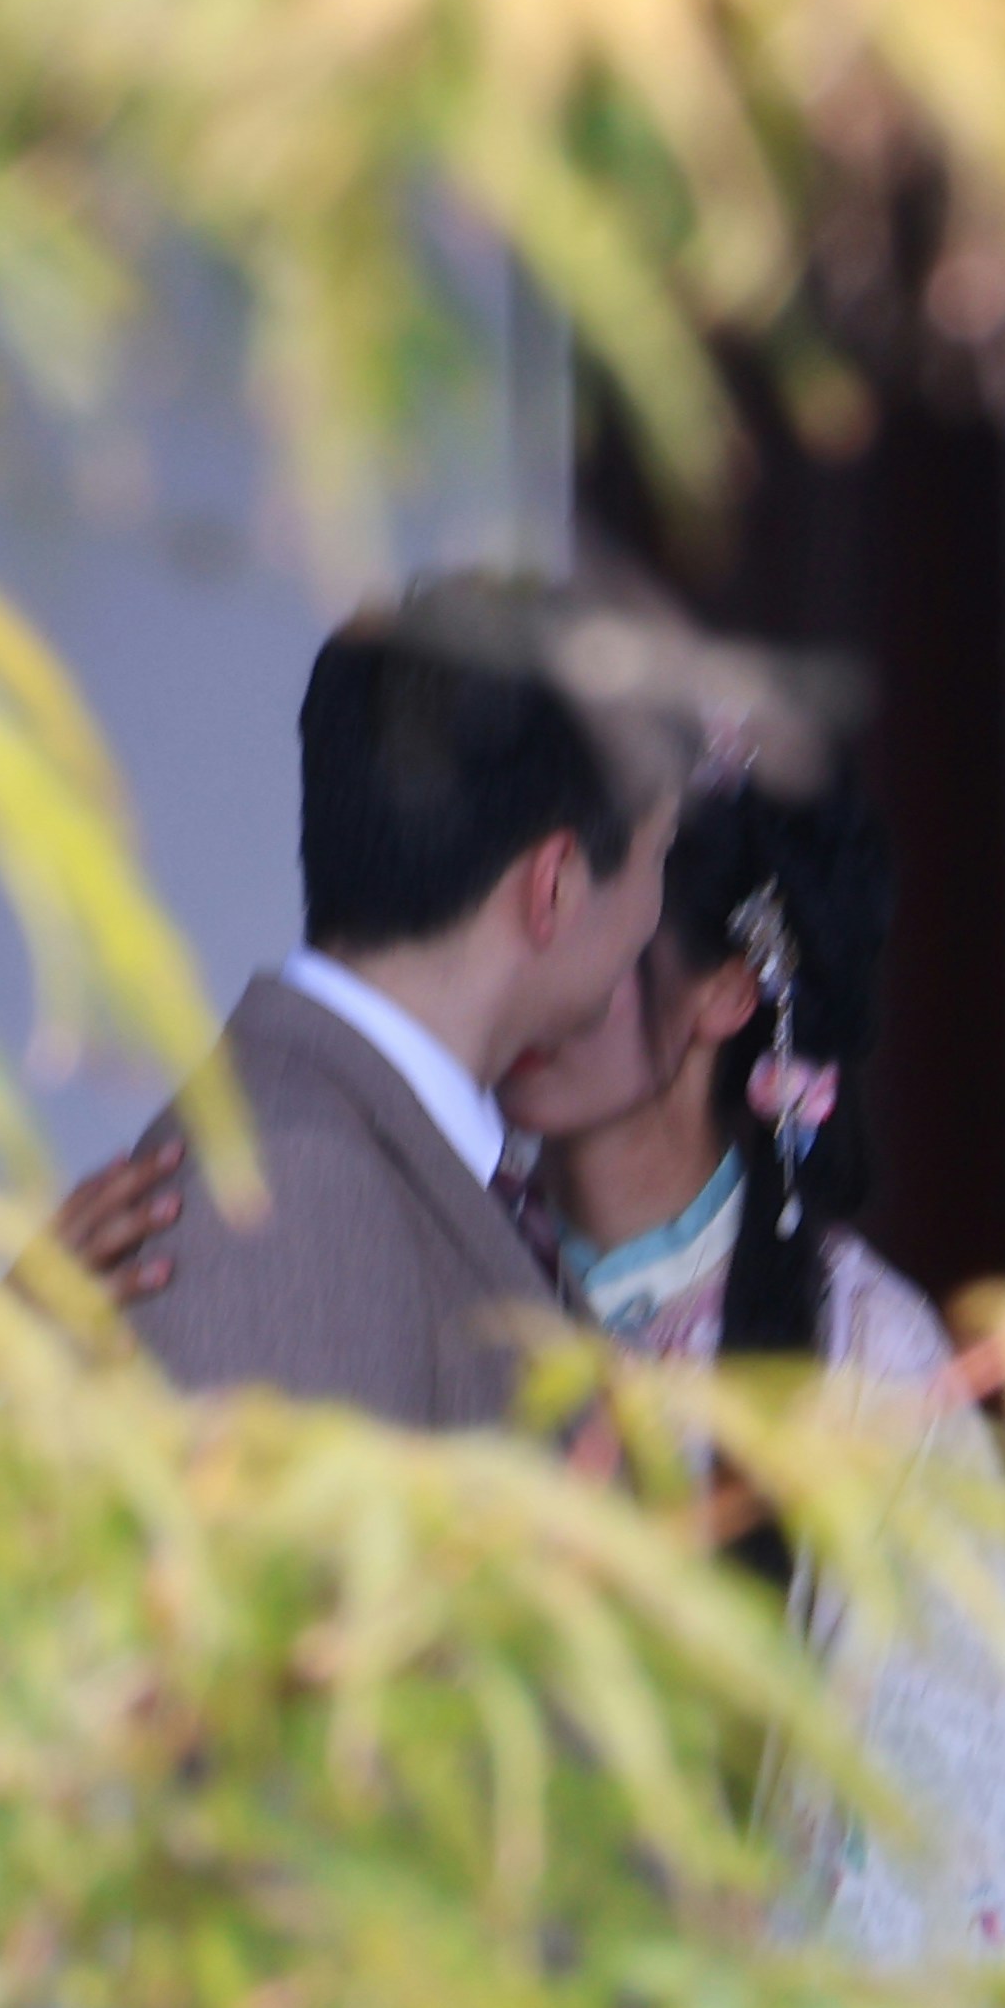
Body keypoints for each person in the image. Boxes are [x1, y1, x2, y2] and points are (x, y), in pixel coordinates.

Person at [64, 772, 1005, 1964]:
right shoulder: (412, 1226)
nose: (550, 955)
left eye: (607, 919)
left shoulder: (864, 1362)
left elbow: (963, 1854)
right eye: (542, 904)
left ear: (727, 989)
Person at [106, 579, 684, 1432]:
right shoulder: (296, 1189)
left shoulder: (356, 1145)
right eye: (658, 854)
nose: (654, 912)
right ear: (555, 886)